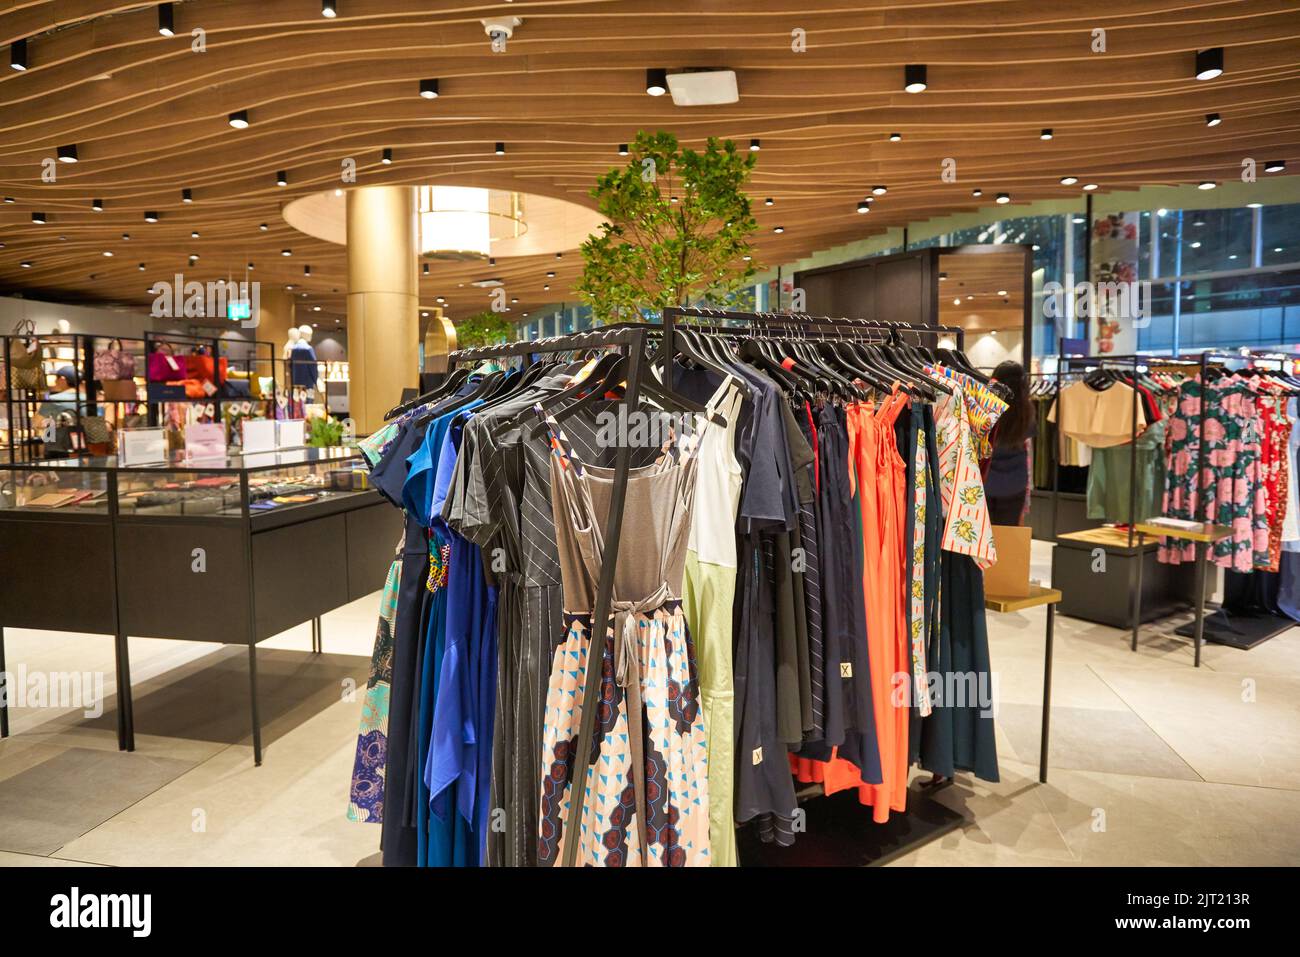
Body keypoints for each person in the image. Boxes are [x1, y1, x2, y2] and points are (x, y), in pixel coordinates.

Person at [984, 360, 1035, 525]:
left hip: (986, 479)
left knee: (984, 539)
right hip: (1015, 482)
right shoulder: (1027, 412)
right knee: (1007, 538)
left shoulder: (986, 407)